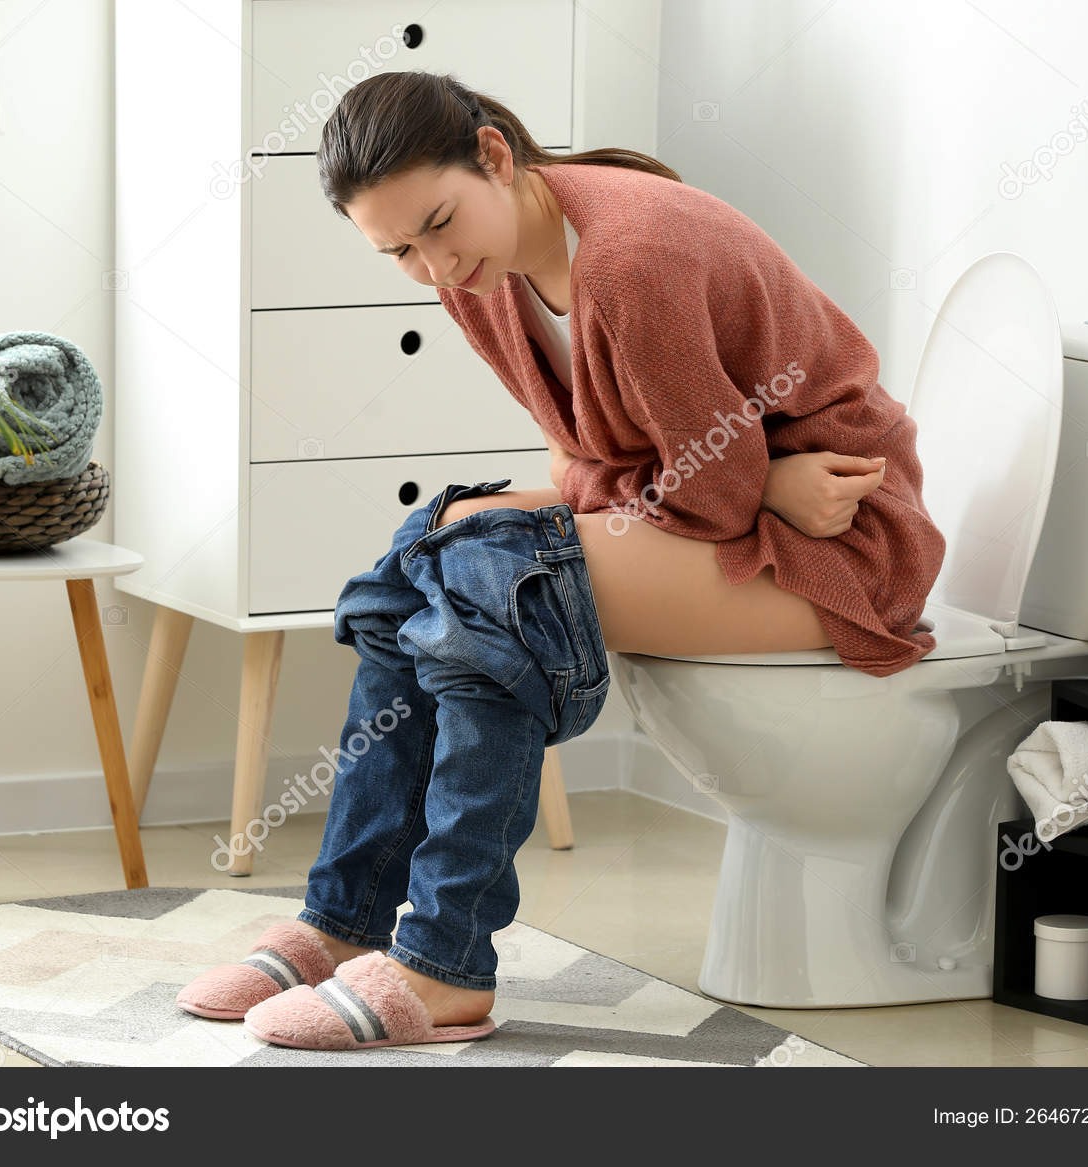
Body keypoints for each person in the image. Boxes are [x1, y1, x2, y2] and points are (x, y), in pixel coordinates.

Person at [177, 70, 945, 1051]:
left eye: (439, 225)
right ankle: (345, 918)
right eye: (399, 250)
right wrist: (754, 481)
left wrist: (755, 487)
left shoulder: (630, 259)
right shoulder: (481, 272)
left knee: (491, 581)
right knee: (407, 572)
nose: (431, 265)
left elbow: (698, 495)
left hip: (839, 539)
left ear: (496, 154)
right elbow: (583, 460)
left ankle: (445, 965)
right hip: (748, 502)